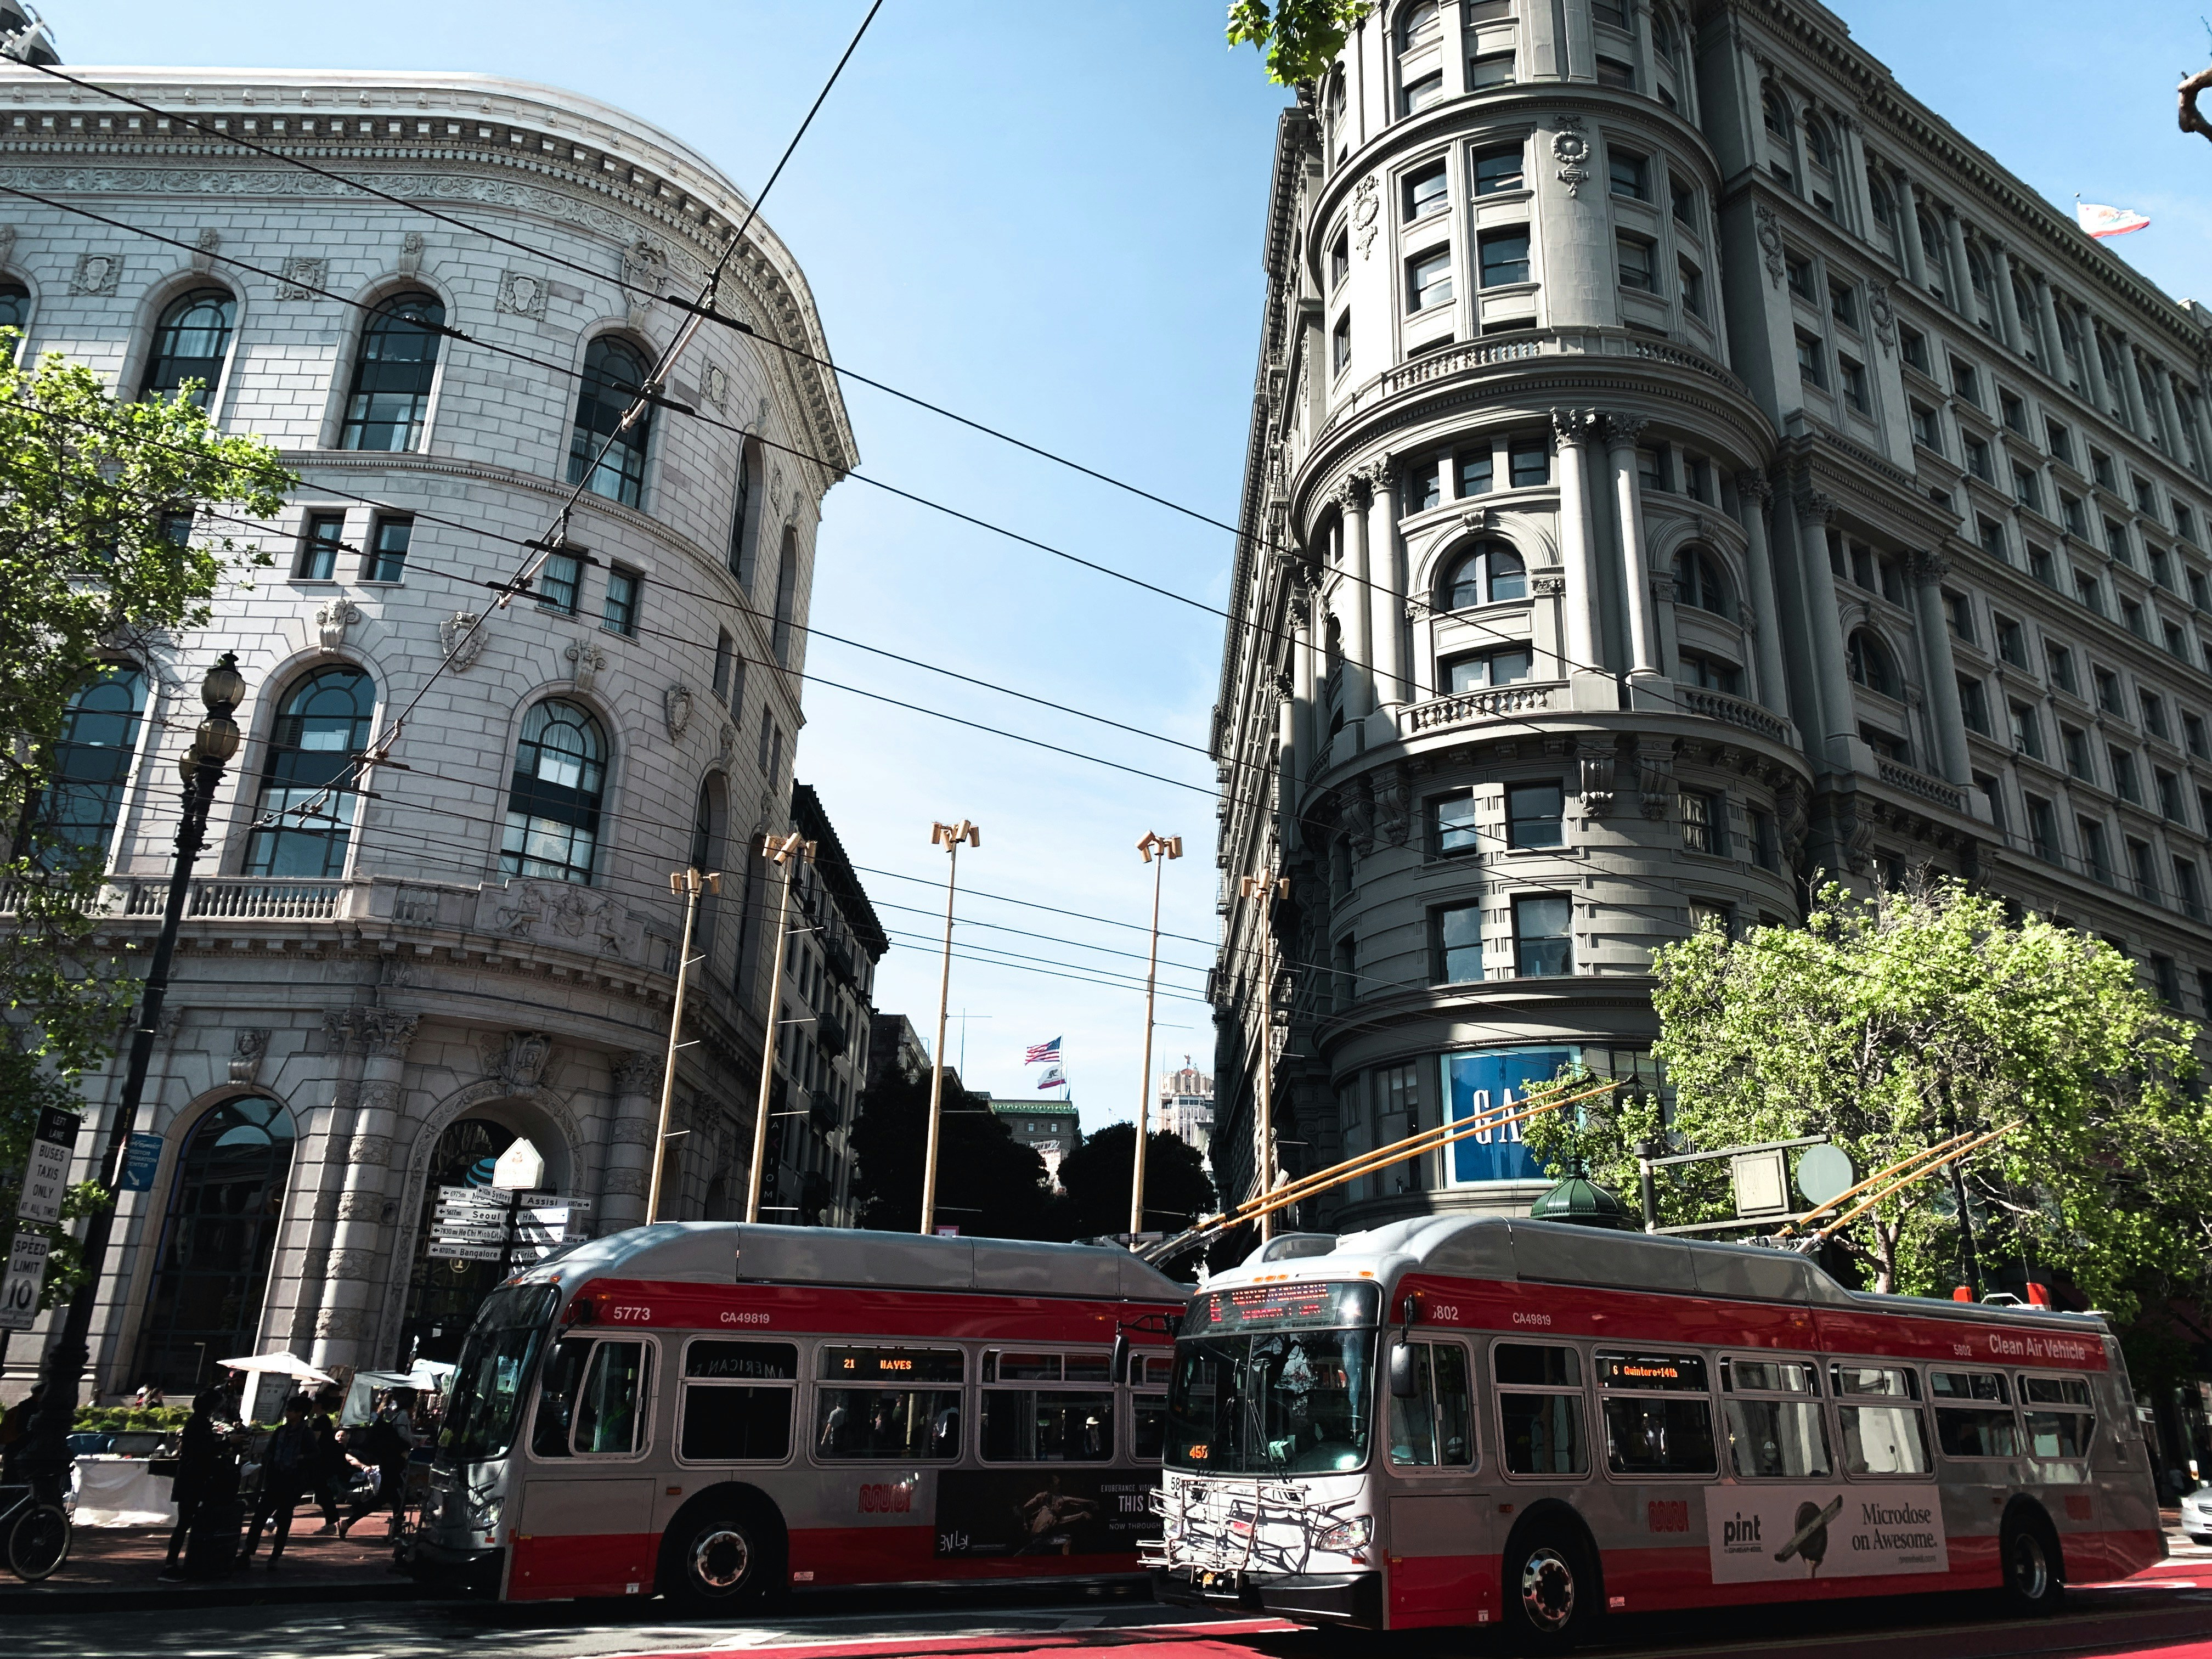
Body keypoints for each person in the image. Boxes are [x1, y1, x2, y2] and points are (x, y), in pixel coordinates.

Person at [241, 1395, 317, 1566]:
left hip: (293, 1481)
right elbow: (269, 1452)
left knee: (284, 1519)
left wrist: (300, 1457)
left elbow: (315, 1455)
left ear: (299, 1413)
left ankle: (275, 1556)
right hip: (276, 1480)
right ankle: (247, 1552)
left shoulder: (306, 1433)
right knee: (260, 1516)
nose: (287, 1413)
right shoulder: (280, 1431)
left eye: (290, 1410)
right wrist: (270, 1463)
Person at [159, 1390, 228, 1578]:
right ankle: (171, 1564)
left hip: (193, 1477)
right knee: (185, 1523)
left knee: (187, 1522)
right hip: (193, 1478)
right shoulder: (198, 1424)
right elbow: (204, 1451)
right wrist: (228, 1443)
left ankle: (182, 1561)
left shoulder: (198, 1422)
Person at [339, 1389, 414, 1542]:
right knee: (386, 1497)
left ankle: (396, 1531)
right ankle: (348, 1523)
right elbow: (405, 1438)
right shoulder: (402, 1415)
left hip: (385, 1459)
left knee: (395, 1497)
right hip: (395, 1460)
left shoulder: (387, 1413)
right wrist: (411, 1445)